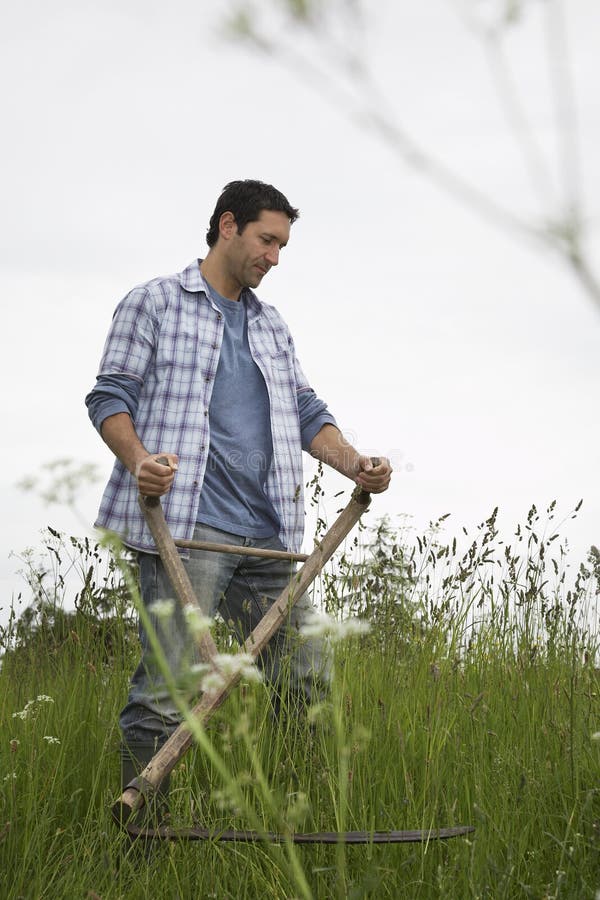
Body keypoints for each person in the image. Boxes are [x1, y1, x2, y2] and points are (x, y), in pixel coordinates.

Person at [86, 179, 392, 807]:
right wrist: (141, 461)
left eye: (282, 245)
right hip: (186, 527)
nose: (275, 257)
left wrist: (353, 463)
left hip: (271, 538)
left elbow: (307, 412)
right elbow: (109, 396)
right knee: (167, 690)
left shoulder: (272, 326)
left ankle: (292, 817)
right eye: (267, 240)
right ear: (228, 225)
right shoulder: (154, 303)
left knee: (305, 679)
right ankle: (141, 836)